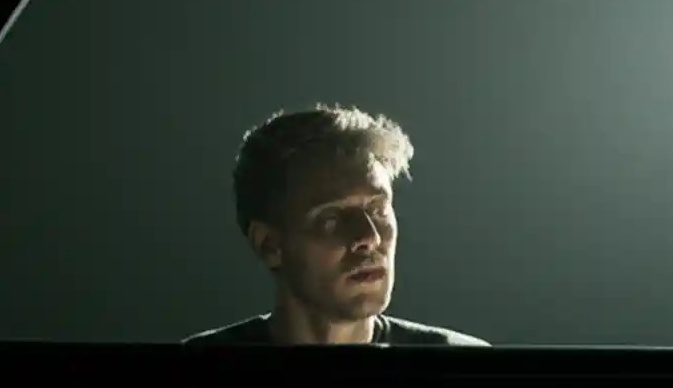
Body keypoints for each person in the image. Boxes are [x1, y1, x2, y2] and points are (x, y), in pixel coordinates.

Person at [183, 104, 488, 346]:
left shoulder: (467, 376)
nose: (368, 238)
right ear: (269, 245)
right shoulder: (193, 379)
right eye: (331, 219)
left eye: (379, 210)